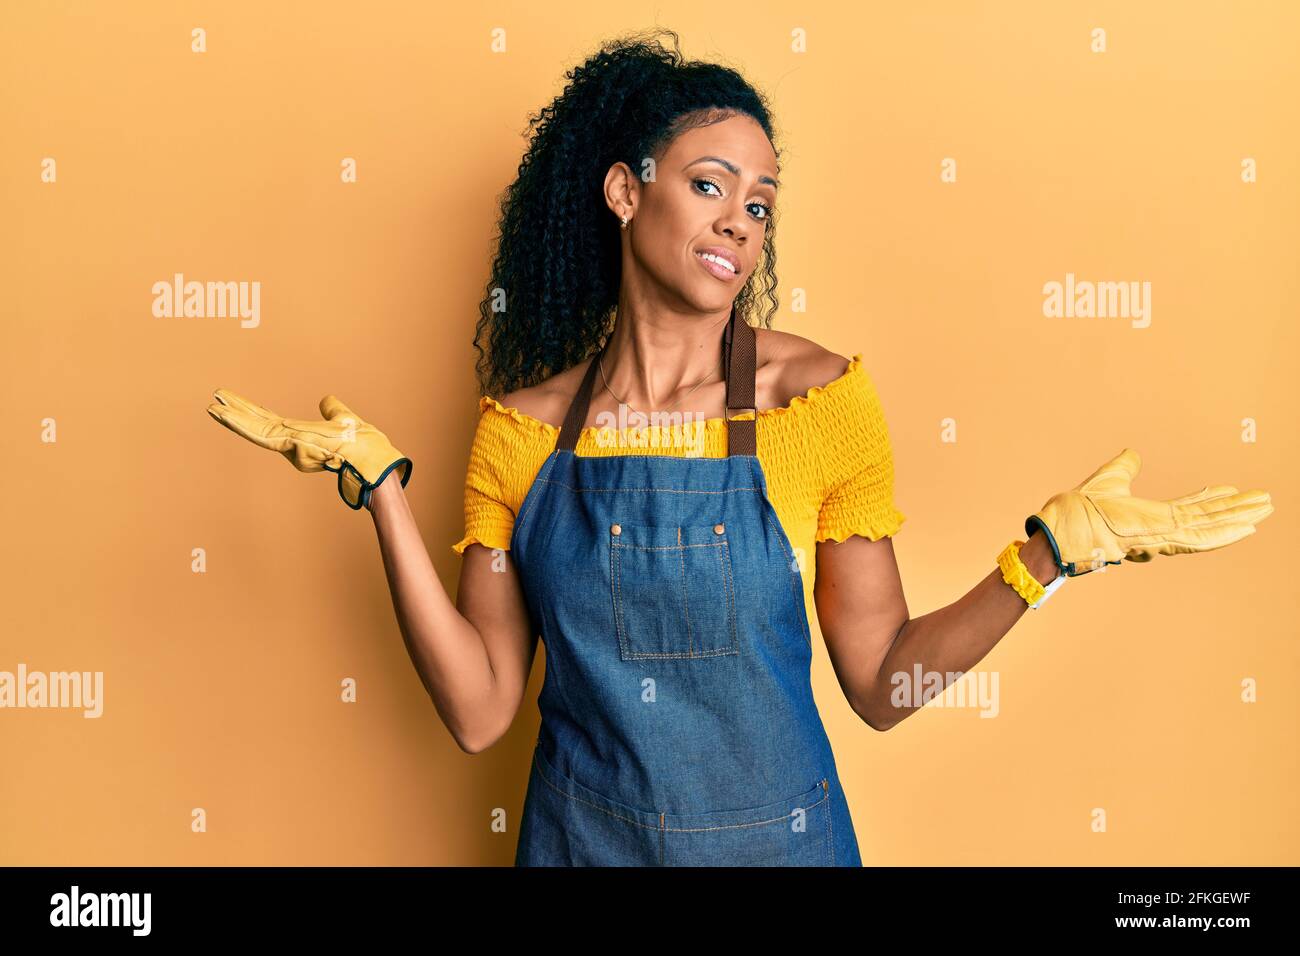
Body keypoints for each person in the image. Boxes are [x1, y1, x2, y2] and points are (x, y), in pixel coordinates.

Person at [205, 30, 1274, 867]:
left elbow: (881, 684)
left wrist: (1045, 556)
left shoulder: (818, 402)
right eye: (710, 184)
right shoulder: (520, 433)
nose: (738, 223)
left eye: (758, 203)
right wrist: (385, 493)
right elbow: (481, 710)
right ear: (626, 192)